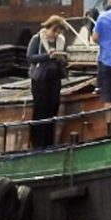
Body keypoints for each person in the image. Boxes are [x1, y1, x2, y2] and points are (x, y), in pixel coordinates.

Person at [26, 15, 68, 147]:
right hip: (40, 79)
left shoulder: (61, 41)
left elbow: (64, 60)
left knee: (53, 108)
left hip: (54, 78)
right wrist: (47, 55)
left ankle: (49, 142)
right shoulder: (37, 39)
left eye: (58, 32)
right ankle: (37, 142)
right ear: (48, 27)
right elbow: (30, 57)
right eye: (54, 31)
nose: (56, 35)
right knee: (40, 109)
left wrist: (61, 58)